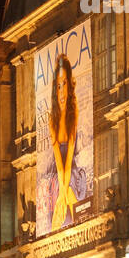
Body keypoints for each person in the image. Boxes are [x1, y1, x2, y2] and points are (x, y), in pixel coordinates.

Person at [48, 55, 86, 230]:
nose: (61, 91)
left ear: (69, 85)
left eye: (64, 84)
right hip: (59, 171)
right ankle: (68, 226)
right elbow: (58, 159)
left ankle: (74, 225)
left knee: (69, 188)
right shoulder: (52, 119)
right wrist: (62, 190)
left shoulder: (74, 110)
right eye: (58, 85)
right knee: (61, 191)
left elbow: (70, 152)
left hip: (71, 168)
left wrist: (64, 190)